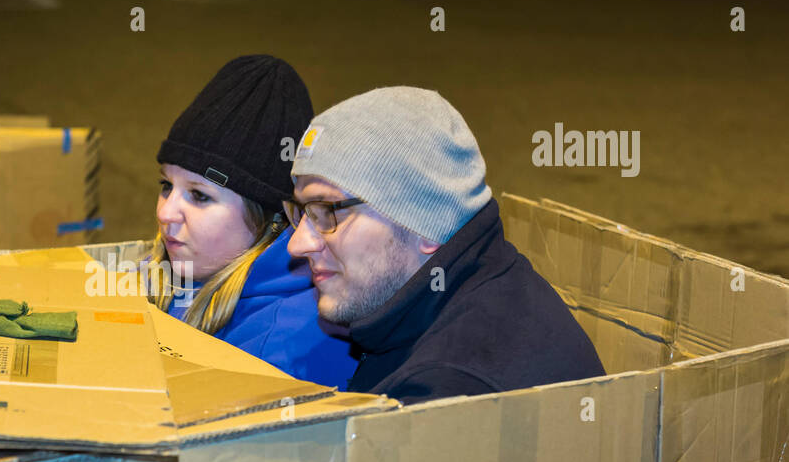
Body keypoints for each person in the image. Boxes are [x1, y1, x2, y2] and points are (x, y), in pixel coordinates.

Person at [285, 86, 604, 403]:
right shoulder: (484, 281)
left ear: (426, 225)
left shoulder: (447, 393)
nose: (297, 244)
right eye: (301, 211)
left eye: (326, 211)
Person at [146, 55, 363, 389]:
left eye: (199, 196)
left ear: (268, 219)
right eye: (166, 186)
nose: (165, 213)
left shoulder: (278, 355)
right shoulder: (178, 265)